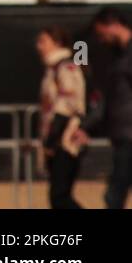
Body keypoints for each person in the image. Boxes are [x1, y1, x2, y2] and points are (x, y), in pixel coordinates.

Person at [75, 8, 132, 209]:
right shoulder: (120, 57)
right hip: (124, 136)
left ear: (114, 25)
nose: (102, 40)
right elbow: (111, 100)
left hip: (128, 137)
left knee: (114, 196)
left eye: (102, 34)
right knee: (114, 194)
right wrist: (87, 127)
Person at [35, 25, 85, 210]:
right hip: (57, 140)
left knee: (60, 197)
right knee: (58, 196)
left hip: (65, 140)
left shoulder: (66, 67)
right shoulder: (53, 69)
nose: (39, 46)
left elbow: (67, 106)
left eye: (43, 42)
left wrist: (52, 138)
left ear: (57, 43)